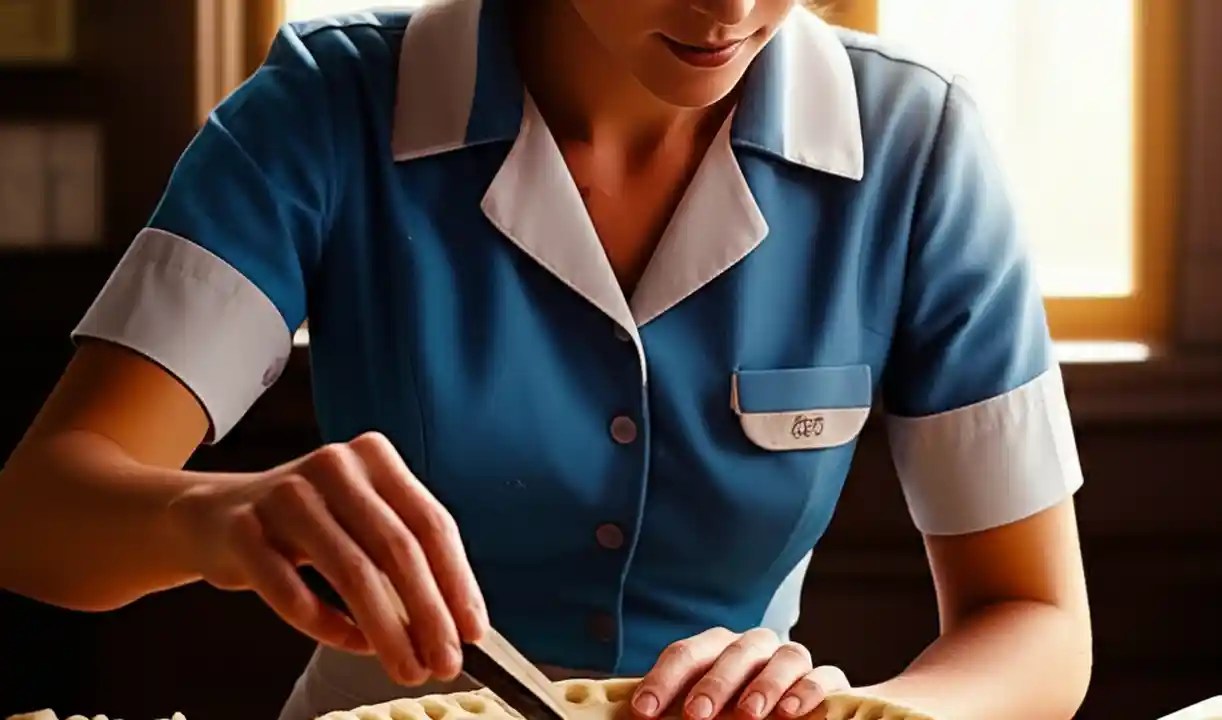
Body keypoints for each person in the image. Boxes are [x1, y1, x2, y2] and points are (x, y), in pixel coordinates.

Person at [0, 0, 1093, 718]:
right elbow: (38, 518)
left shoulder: (914, 143)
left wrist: (857, 716)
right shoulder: (325, 111)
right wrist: (217, 517)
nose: (728, 9)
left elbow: (1036, 621)